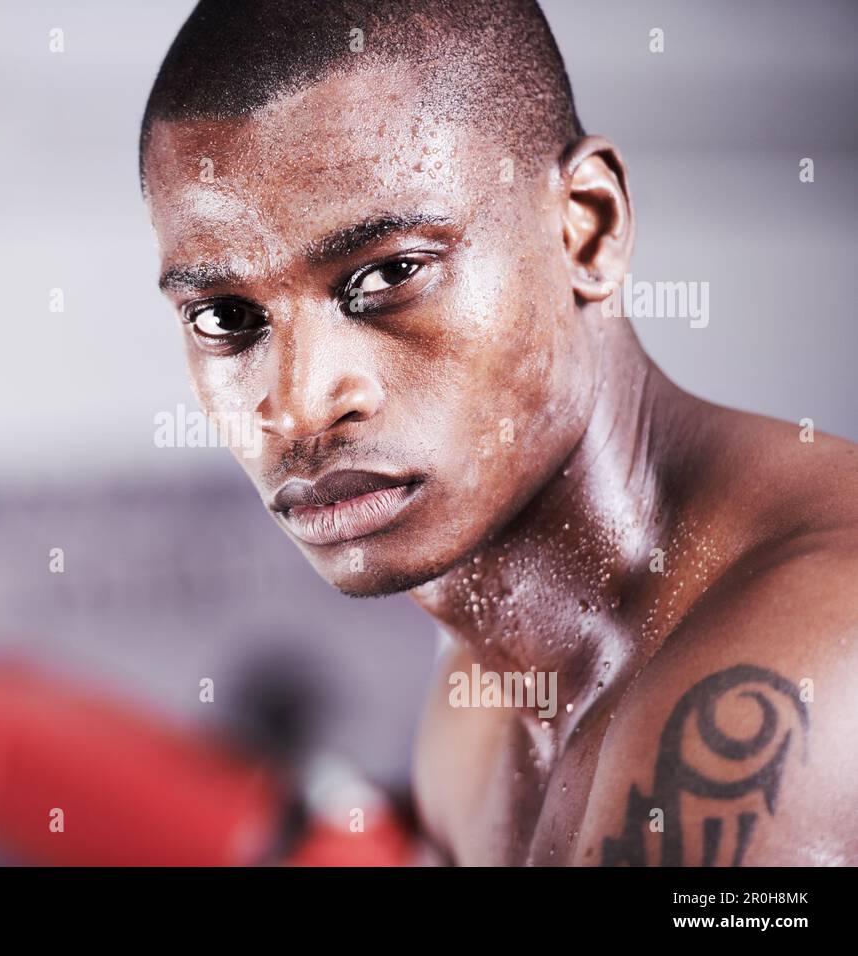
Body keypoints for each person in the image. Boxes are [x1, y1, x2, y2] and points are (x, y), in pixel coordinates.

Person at [139, 0, 858, 865]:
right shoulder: (477, 703)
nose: (295, 408)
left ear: (586, 229)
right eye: (225, 316)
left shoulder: (804, 668)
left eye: (390, 273)